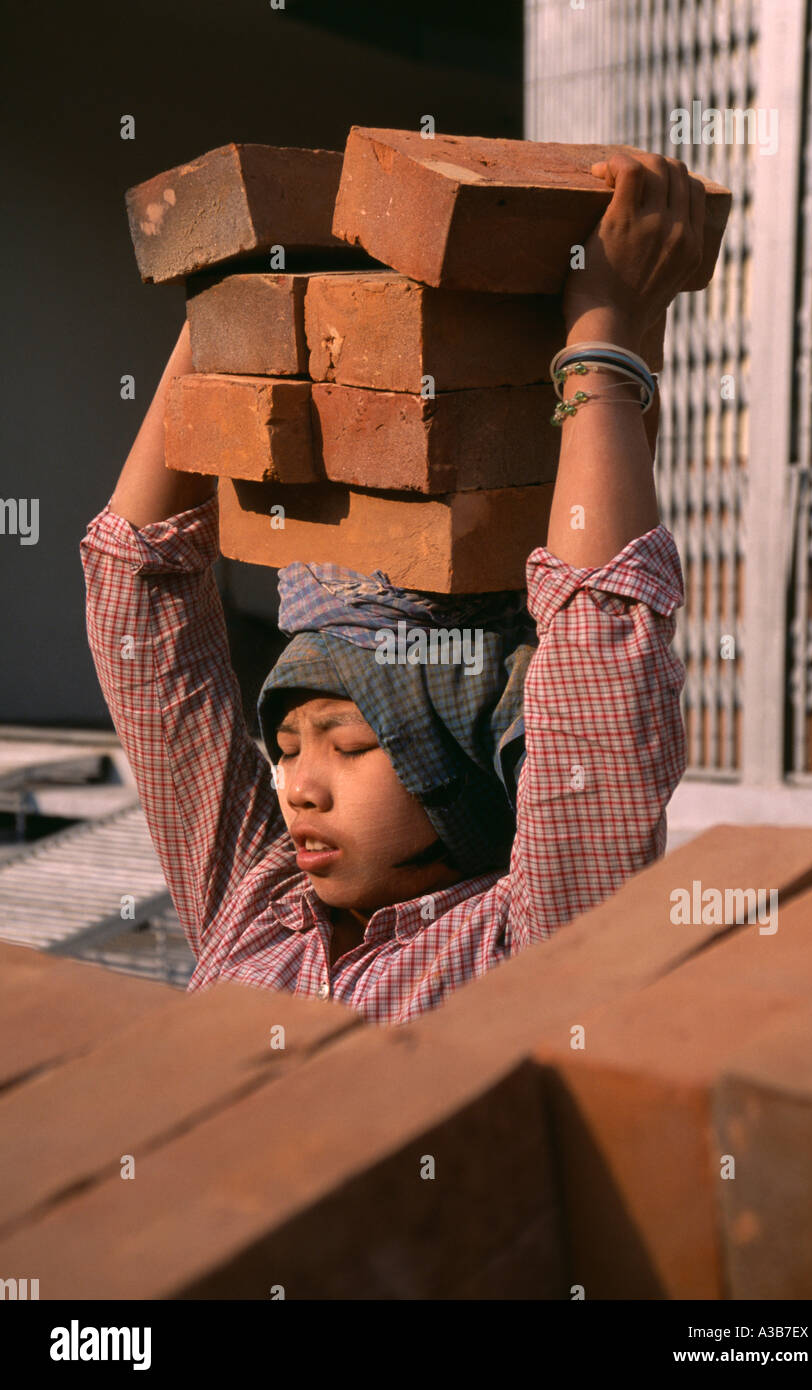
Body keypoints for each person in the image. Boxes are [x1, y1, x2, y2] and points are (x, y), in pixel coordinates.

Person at [80, 151, 701, 1023]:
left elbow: (598, 674)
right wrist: (231, 322)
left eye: (349, 744)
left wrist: (606, 335)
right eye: (289, 747)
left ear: (457, 747)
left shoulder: (523, 949)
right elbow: (136, 600)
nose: (299, 787)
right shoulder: (255, 911)